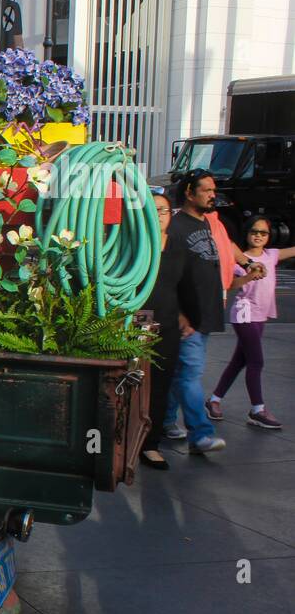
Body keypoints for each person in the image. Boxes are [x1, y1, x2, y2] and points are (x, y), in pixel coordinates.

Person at [162, 170, 264, 454]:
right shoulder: (176, 227)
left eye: (213, 190)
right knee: (190, 373)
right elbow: (168, 275)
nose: (212, 195)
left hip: (206, 312)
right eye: (205, 190)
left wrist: (246, 267)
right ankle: (201, 434)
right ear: (189, 193)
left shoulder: (209, 223)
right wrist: (180, 313)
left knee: (179, 373)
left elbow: (225, 252)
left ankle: (166, 422)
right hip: (187, 317)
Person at [207, 215, 295, 430]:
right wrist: (248, 275)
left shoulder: (271, 255)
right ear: (246, 234)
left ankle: (214, 400)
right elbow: (230, 283)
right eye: (254, 231)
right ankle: (257, 409)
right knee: (256, 361)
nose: (258, 235)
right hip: (244, 315)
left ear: (269, 236)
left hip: (261, 315)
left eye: (263, 233)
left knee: (240, 361)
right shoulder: (240, 259)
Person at [140, 190, 184, 470]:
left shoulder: (180, 250)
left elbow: (190, 286)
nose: (159, 216)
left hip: (167, 326)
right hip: (135, 323)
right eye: (154, 210)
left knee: (160, 386)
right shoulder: (134, 245)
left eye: (164, 210)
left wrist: (188, 316)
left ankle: (151, 445)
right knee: (130, 385)